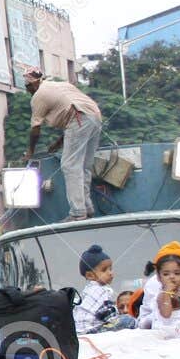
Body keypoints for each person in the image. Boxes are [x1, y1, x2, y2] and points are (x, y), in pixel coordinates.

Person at [22, 67, 103, 222]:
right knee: (84, 165)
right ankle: (87, 207)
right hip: (94, 116)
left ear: (30, 85)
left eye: (28, 88)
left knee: (69, 165)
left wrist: (30, 152)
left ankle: (78, 212)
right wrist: (59, 143)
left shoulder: (39, 96)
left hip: (79, 118)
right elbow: (71, 113)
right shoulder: (59, 85)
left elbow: (35, 129)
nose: (28, 92)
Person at [74, 244, 136, 334]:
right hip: (92, 331)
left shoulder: (89, 289)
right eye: (104, 270)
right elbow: (107, 314)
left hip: (80, 331)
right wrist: (119, 318)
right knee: (128, 319)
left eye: (110, 269)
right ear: (90, 275)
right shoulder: (101, 291)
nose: (110, 273)